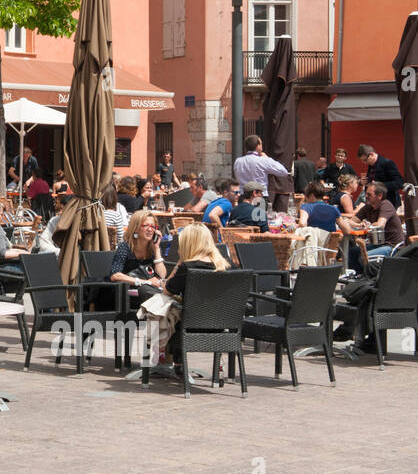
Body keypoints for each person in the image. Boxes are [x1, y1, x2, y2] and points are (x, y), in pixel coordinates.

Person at [144, 223, 231, 371]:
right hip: (221, 327)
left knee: (157, 303)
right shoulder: (228, 267)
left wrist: (180, 263)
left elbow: (167, 290)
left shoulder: (188, 267)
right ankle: (181, 363)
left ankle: (161, 356)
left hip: (188, 327)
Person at [108, 210, 168, 300]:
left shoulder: (153, 248)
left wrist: (156, 249)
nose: (150, 229)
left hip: (147, 291)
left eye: (153, 226)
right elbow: (115, 275)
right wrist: (145, 282)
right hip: (126, 293)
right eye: (146, 225)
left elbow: (162, 275)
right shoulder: (126, 247)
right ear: (136, 228)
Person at [355, 181, 405, 262]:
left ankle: (369, 274)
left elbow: (380, 225)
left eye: (369, 194)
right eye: (366, 193)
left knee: (363, 257)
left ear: (380, 196)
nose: (366, 196)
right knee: (352, 253)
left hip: (392, 246)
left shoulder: (386, 205)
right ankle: (356, 274)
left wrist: (367, 226)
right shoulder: (368, 206)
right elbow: (352, 221)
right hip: (378, 244)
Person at [232, 134, 289, 199]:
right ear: (258, 146)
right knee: (258, 209)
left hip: (243, 196)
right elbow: (283, 172)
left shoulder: (238, 161)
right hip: (259, 196)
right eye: (261, 143)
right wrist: (267, 158)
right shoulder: (263, 160)